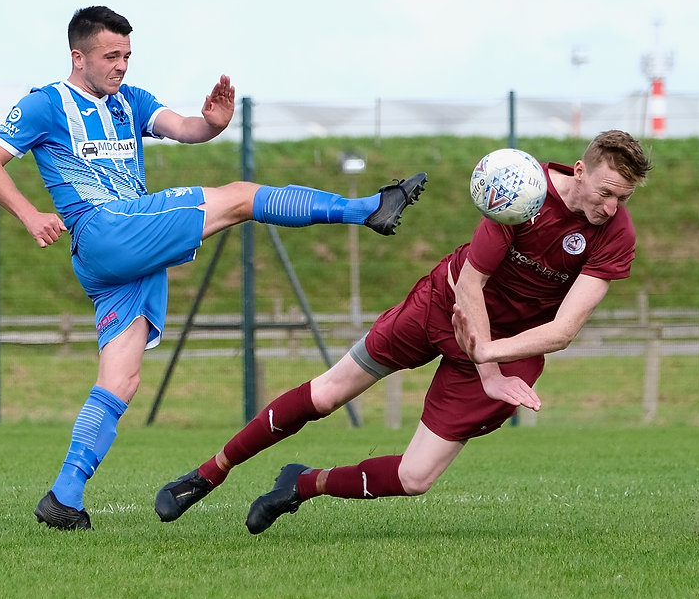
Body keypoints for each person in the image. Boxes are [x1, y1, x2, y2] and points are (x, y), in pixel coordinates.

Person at [0, 5, 428, 531]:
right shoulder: (45, 104)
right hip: (106, 229)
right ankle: (366, 208)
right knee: (238, 197)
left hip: (119, 257)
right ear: (79, 56)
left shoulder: (130, 101)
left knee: (120, 380)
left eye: (126, 55)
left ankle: (63, 496)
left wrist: (212, 123)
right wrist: (30, 216)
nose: (121, 66)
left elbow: (185, 128)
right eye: (109, 56)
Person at [155, 130, 652, 534]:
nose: (611, 207)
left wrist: (489, 361)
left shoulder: (616, 233)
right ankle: (208, 473)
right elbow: (472, 284)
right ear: (580, 171)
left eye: (622, 198)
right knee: (328, 393)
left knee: (417, 478)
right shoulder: (520, 186)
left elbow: (563, 330)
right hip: (445, 303)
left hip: (511, 344)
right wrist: (486, 363)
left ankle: (303, 485)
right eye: (606, 192)